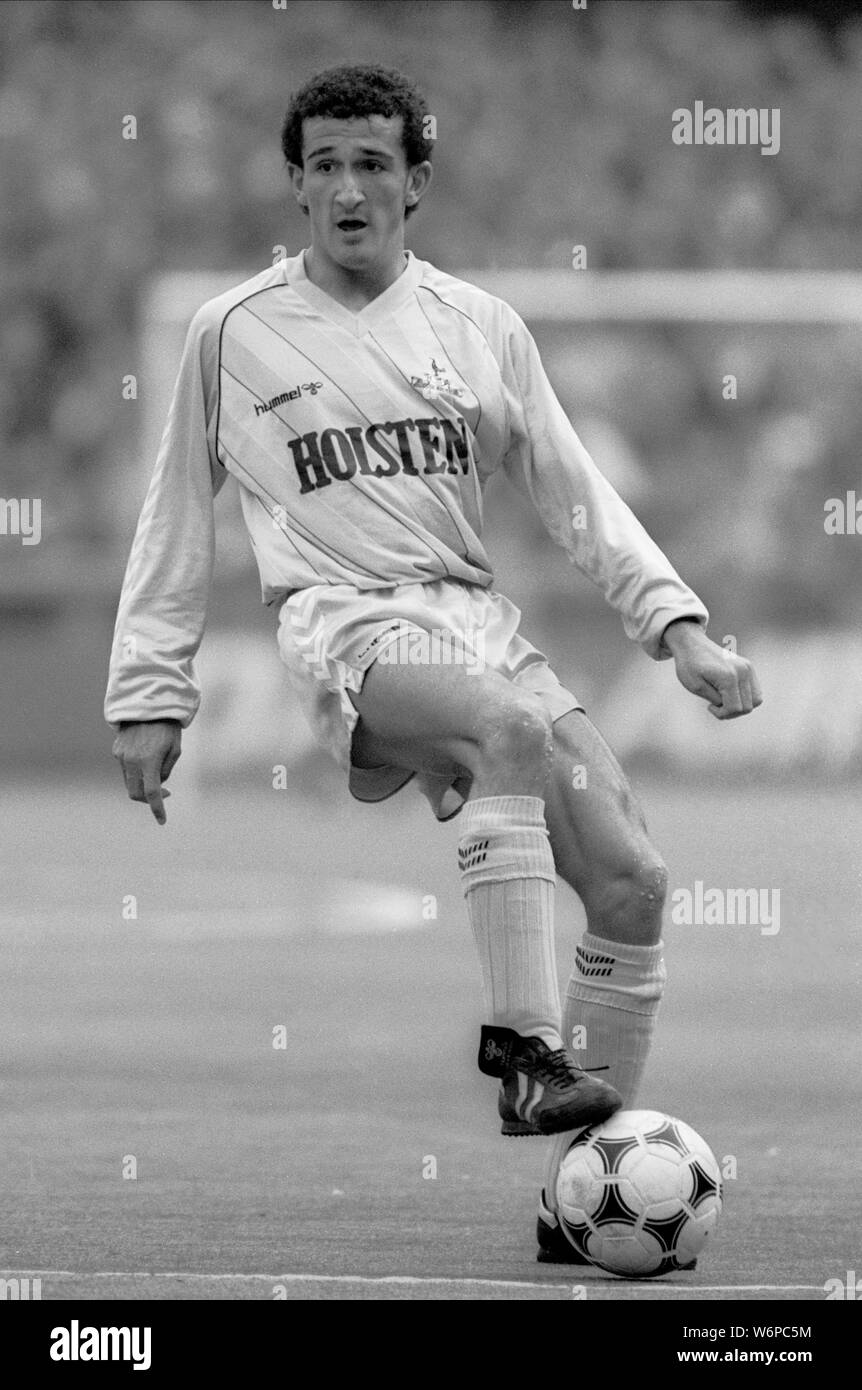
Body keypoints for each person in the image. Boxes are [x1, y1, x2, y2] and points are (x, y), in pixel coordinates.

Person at [105, 64, 762, 1264]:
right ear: (295, 185)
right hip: (341, 622)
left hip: (473, 620)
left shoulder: (478, 326)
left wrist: (678, 629)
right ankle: (521, 1050)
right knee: (503, 731)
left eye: (371, 164)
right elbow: (174, 519)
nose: (348, 188)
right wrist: (151, 691)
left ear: (417, 181)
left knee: (632, 883)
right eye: (324, 166)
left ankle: (578, 1207)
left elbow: (576, 495)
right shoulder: (232, 332)